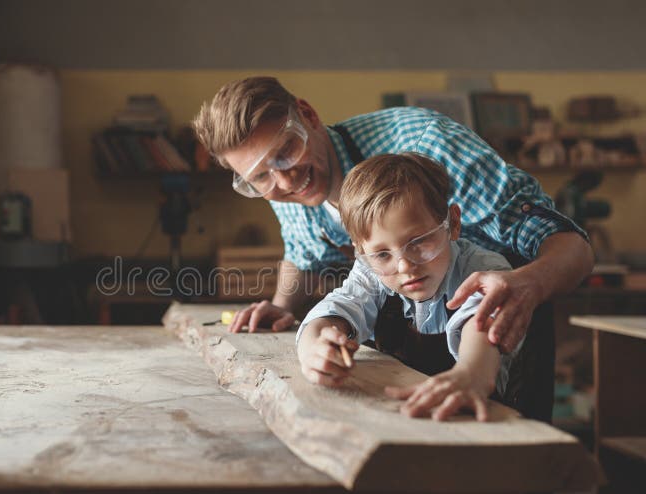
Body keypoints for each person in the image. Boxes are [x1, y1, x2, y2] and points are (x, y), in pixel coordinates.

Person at [192, 77, 593, 354]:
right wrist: (281, 306)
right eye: (260, 176)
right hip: (406, 347)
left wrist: (529, 285)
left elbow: (568, 243)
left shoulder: (424, 144)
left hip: (499, 331)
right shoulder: (283, 190)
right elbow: (305, 255)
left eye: (285, 152)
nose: (285, 179)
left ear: (309, 116)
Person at [297, 153, 517, 420]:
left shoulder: (486, 271)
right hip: (401, 417)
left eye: (419, 242)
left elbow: (480, 325)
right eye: (382, 255)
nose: (404, 267)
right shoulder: (373, 271)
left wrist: (470, 373)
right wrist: (314, 346)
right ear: (361, 252)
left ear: (453, 223)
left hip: (481, 423)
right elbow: (340, 306)